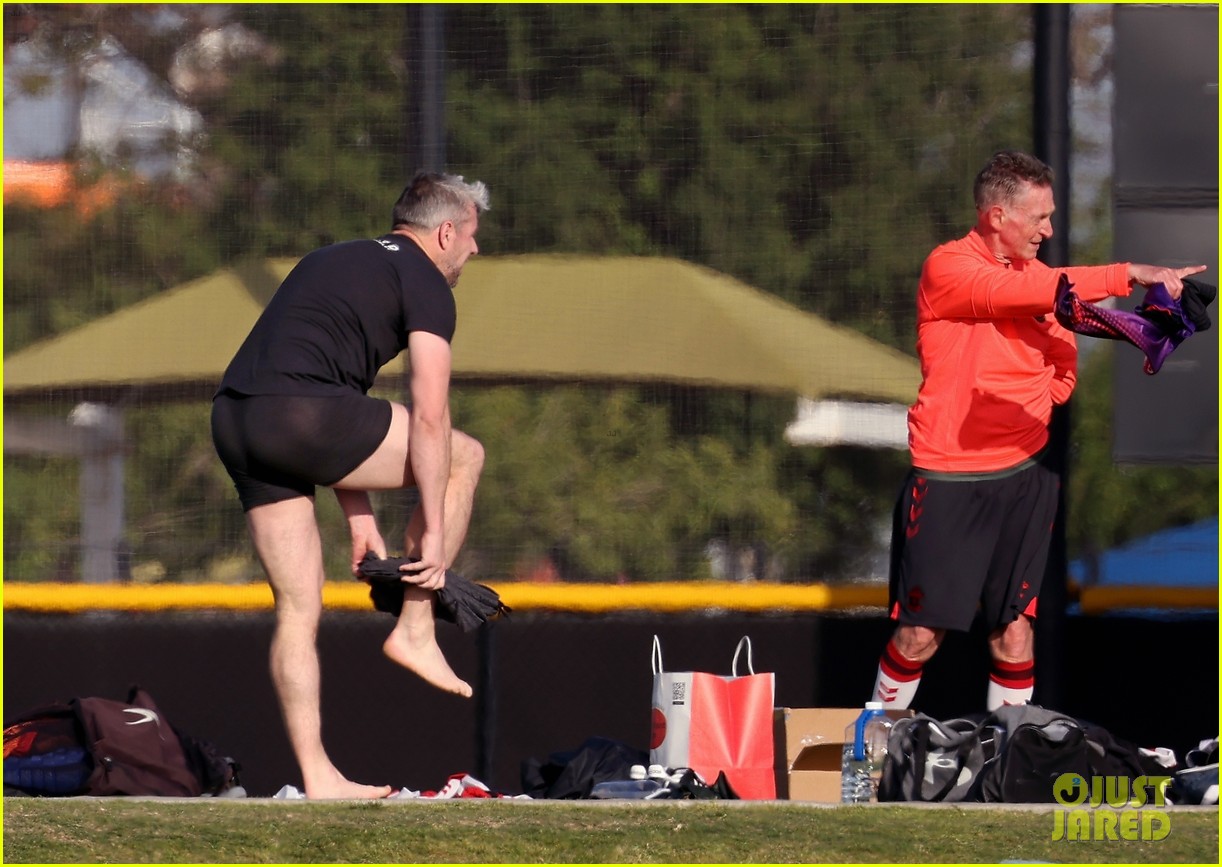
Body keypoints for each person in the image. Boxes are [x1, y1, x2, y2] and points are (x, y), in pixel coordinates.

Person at [870, 150, 1206, 712]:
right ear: (997, 216)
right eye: (1039, 217)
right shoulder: (947, 267)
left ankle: (1013, 768)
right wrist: (1129, 275)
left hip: (1025, 476)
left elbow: (1062, 365)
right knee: (919, 636)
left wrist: (1045, 394)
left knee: (1015, 634)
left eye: (1051, 217)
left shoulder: (1043, 281)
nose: (1048, 230)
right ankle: (867, 754)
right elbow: (1028, 296)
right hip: (950, 476)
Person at [211, 172, 490, 798]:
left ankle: (318, 776)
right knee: (465, 456)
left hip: (236, 417)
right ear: (445, 232)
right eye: (472, 237)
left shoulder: (336, 259)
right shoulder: (427, 285)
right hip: (301, 417)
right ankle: (416, 629)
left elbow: (330, 393)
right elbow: (429, 415)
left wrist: (361, 521)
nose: (475, 250)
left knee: (299, 606)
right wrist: (437, 544)